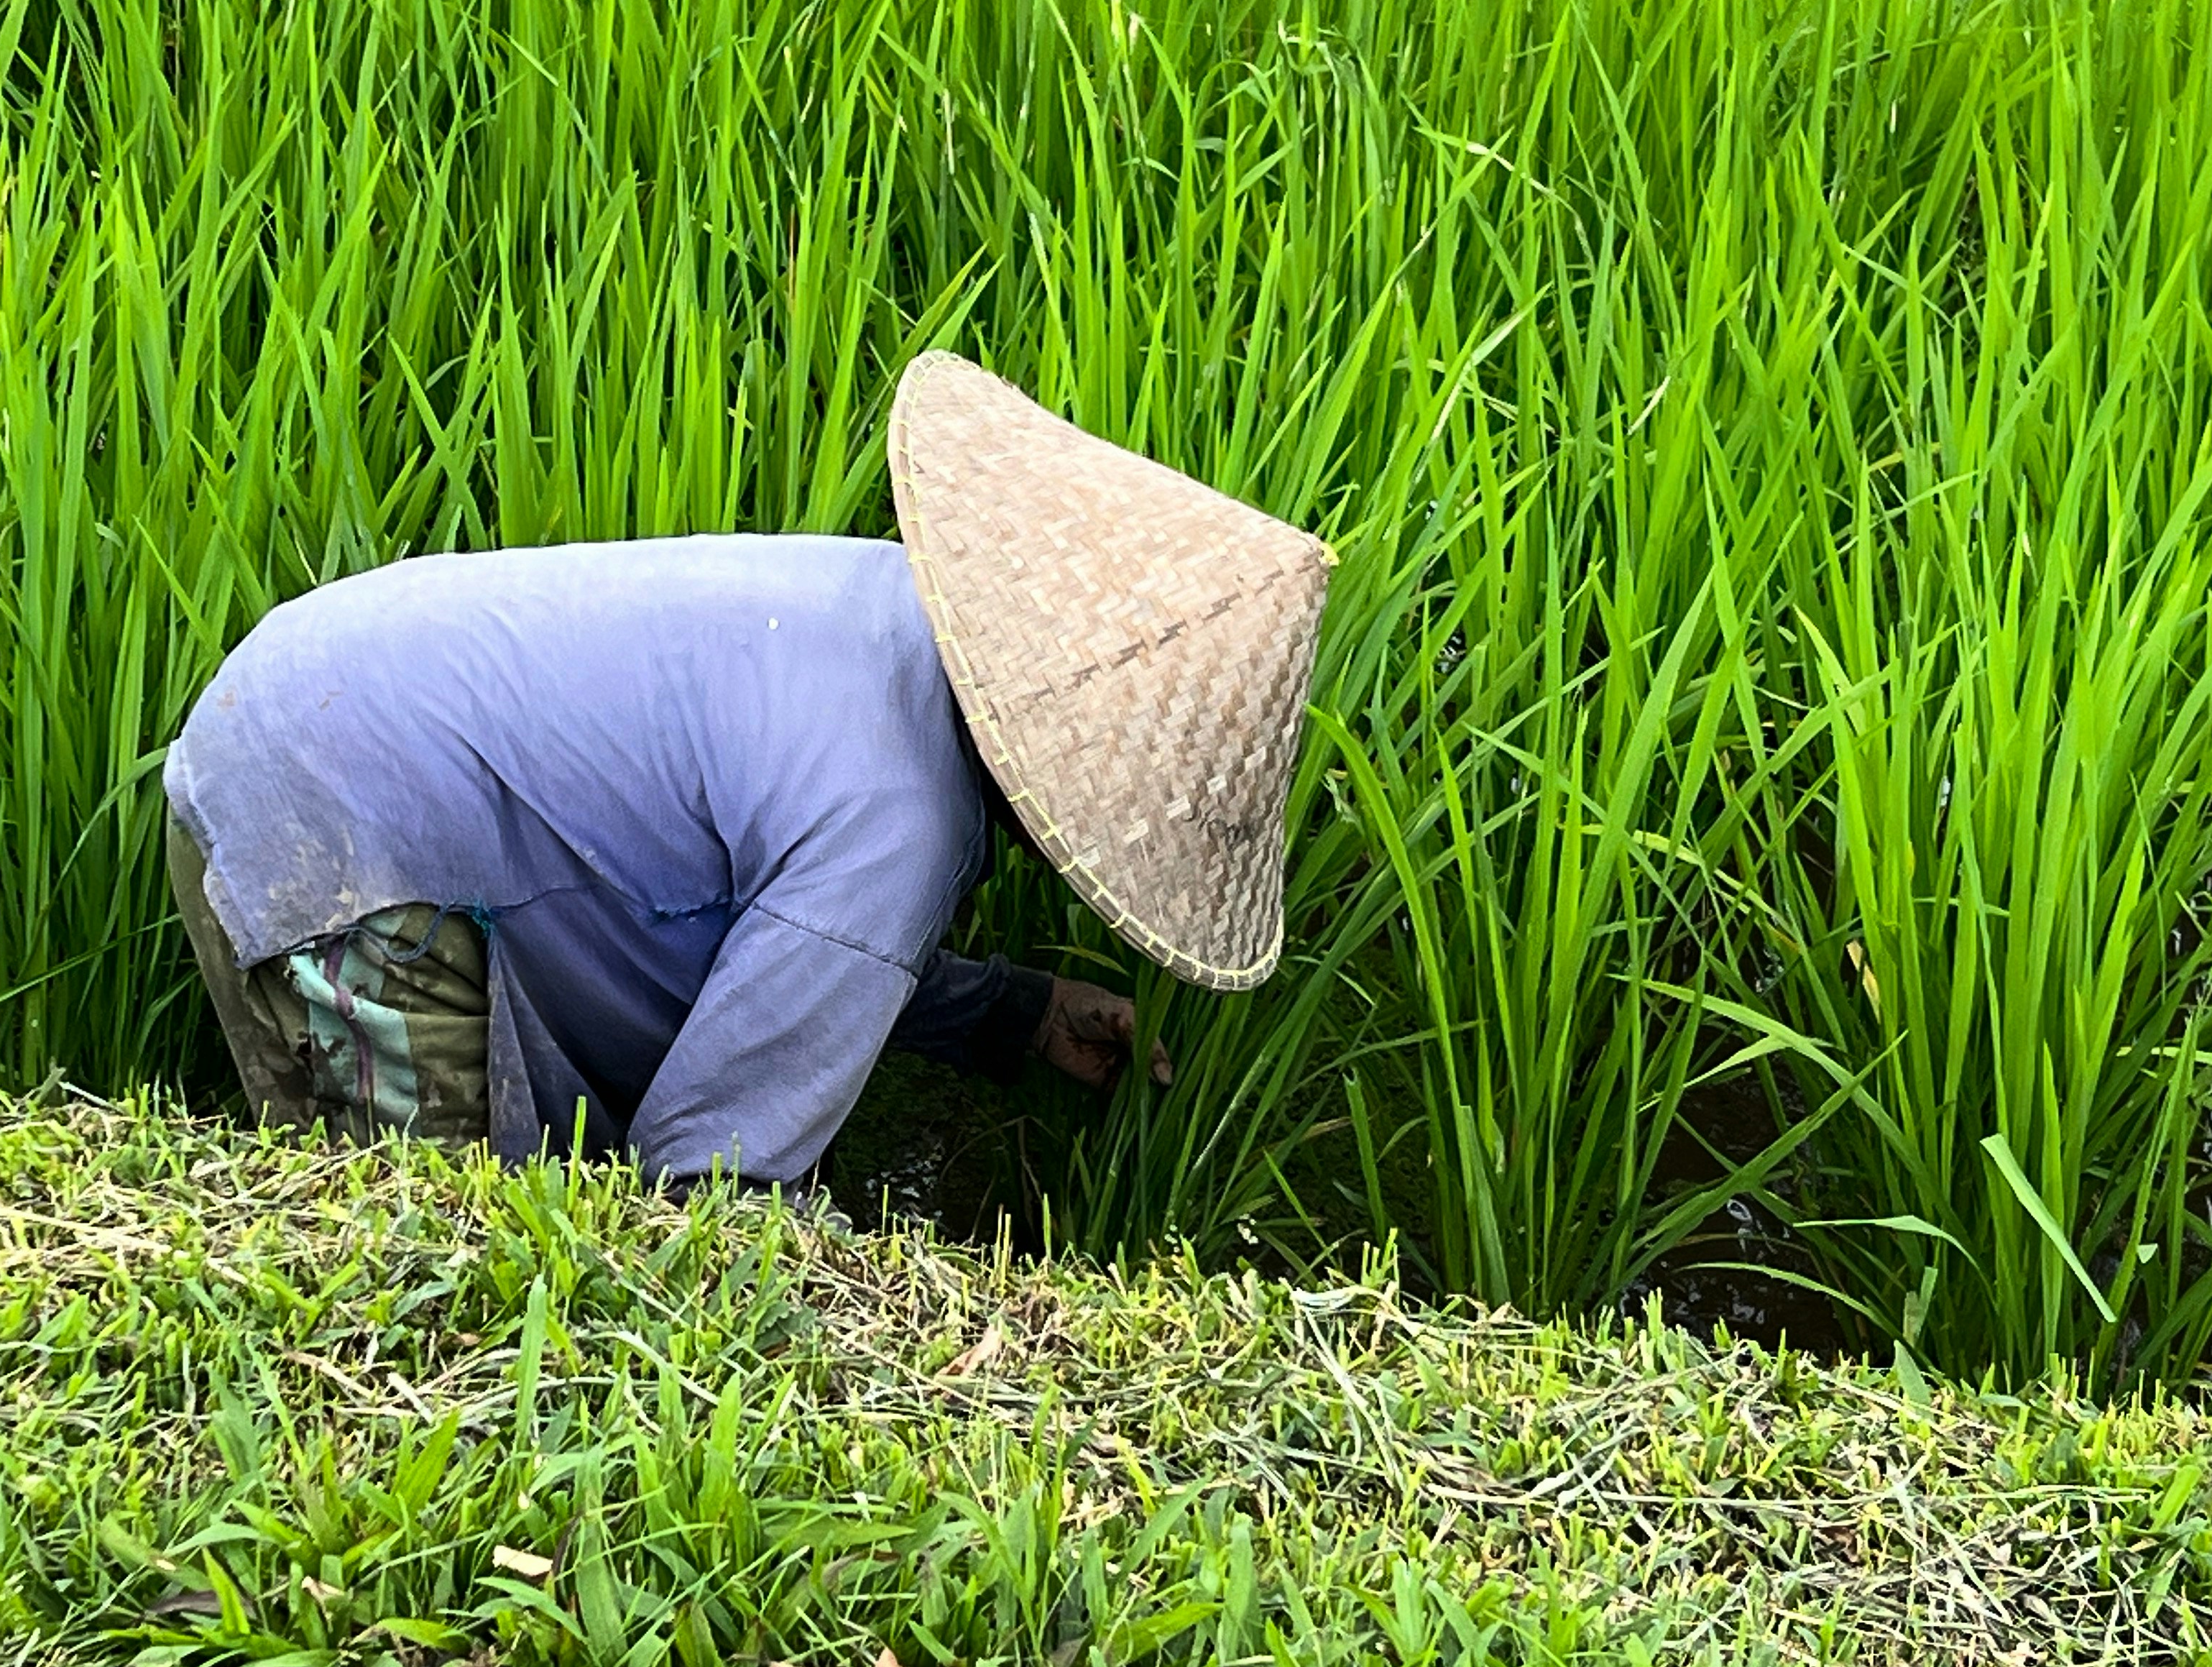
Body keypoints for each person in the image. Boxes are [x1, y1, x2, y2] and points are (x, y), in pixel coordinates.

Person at [162, 352, 1335, 1194]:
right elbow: (705, 1179)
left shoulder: (874, 610)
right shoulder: (901, 821)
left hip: (277, 737)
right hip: (362, 856)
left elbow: (768, 945)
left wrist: (1014, 1016)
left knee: (341, 1243)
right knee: (435, 1286)